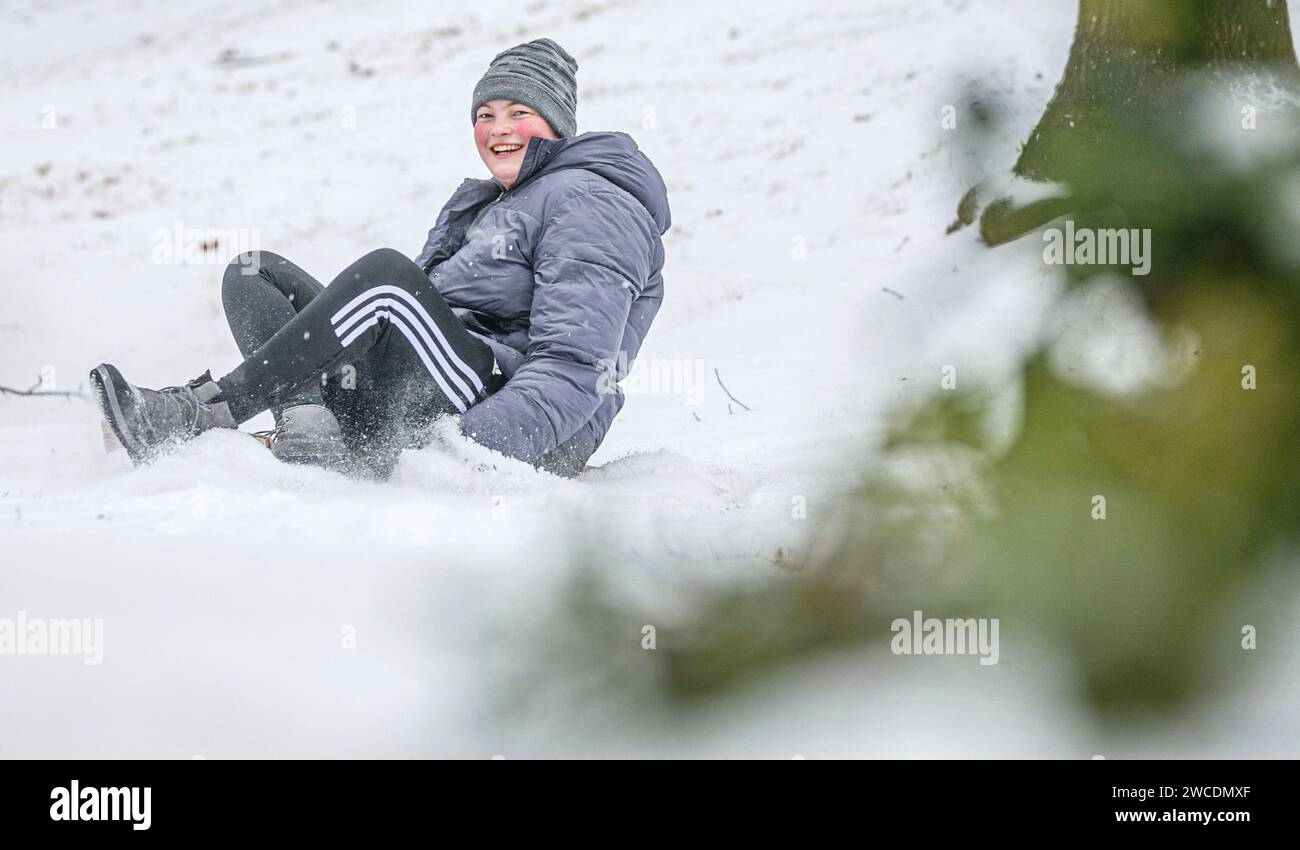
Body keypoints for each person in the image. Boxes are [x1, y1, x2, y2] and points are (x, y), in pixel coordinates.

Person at [90, 37, 671, 479]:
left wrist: (468, 447)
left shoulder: (591, 200)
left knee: (388, 280)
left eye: (518, 112)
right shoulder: (495, 203)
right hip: (431, 384)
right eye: (485, 115)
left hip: (501, 412)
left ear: (558, 125)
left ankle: (201, 413)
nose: (498, 129)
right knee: (254, 271)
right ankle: (310, 426)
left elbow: (577, 366)